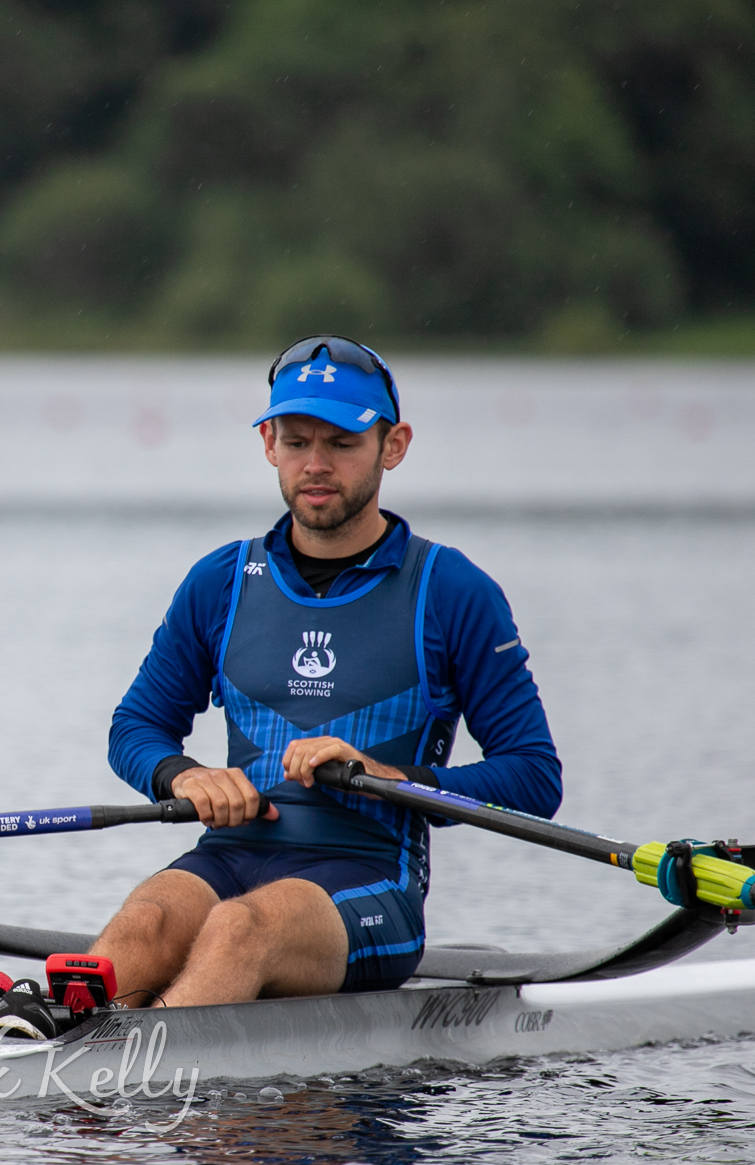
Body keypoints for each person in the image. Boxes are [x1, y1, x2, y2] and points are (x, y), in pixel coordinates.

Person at [86, 336, 563, 1009]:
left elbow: (535, 778)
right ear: (268, 445)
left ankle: (140, 1089)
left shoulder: (450, 589)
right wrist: (183, 775)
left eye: (341, 442)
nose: (315, 464)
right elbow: (135, 727)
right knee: (146, 922)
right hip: (229, 855)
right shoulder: (222, 581)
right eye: (295, 440)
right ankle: (66, 1074)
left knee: (238, 927)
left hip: (368, 879)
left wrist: (397, 781)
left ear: (392, 446)